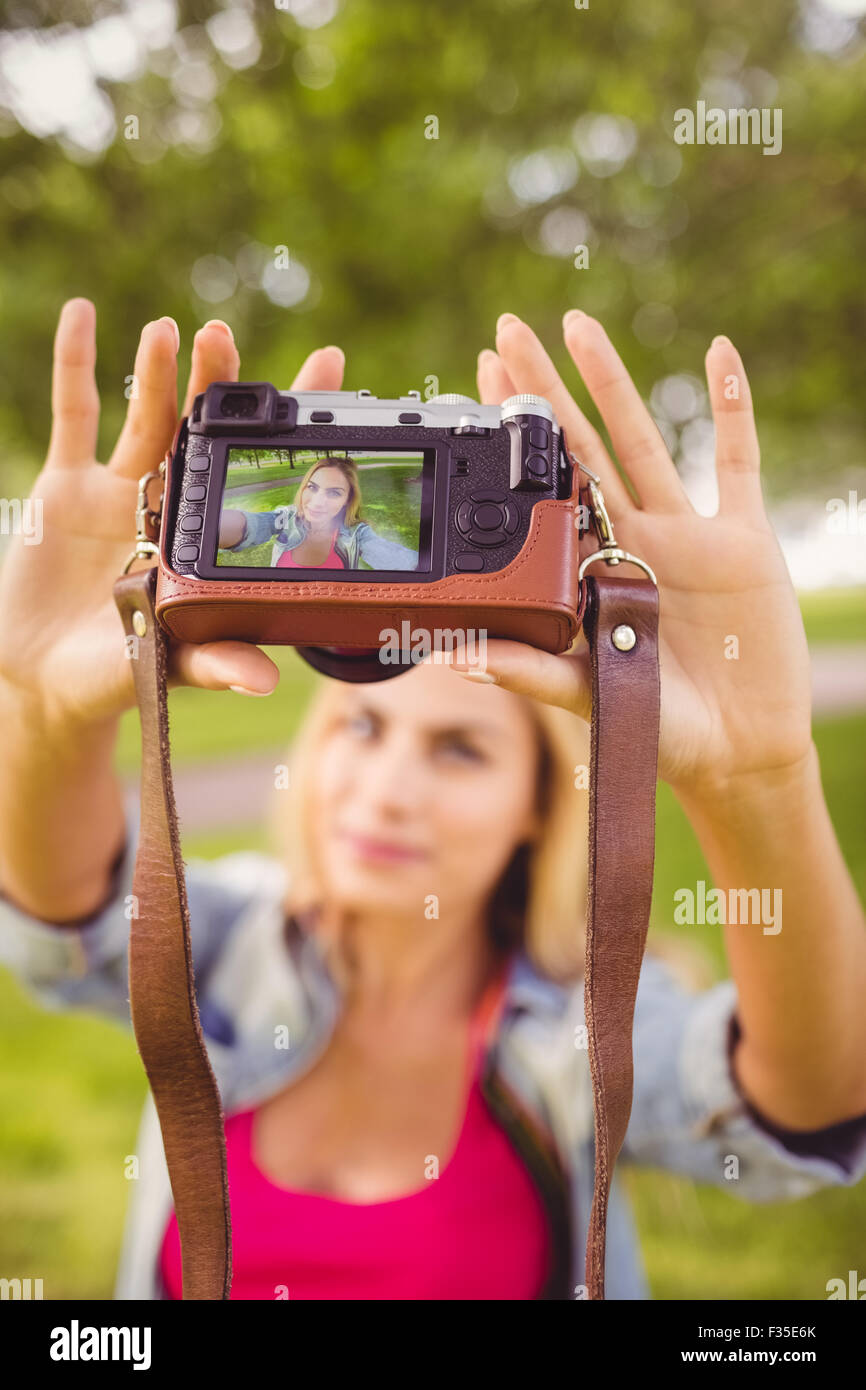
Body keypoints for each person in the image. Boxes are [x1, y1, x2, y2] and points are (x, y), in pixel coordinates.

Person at [1, 300, 865, 1300]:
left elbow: (806, 1106)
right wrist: (41, 713)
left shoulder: (578, 1025)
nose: (389, 791)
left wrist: (756, 778)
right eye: (363, 728)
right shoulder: (229, 945)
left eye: (459, 750)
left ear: (538, 805)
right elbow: (61, 917)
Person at [218, 455, 419, 571]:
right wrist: (210, 527)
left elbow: (401, 560)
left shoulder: (357, 534)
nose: (317, 502)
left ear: (346, 501)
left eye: (333, 493)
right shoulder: (285, 519)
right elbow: (249, 524)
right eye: (312, 488)